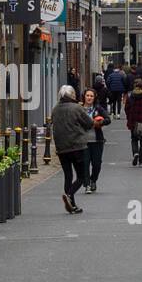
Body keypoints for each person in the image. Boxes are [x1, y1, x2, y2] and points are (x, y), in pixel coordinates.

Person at [49, 85, 94, 214]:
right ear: (72, 95)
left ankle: (72, 205)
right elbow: (89, 123)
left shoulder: (55, 109)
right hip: (77, 146)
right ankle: (69, 194)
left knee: (68, 175)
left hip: (61, 147)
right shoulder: (77, 108)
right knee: (82, 176)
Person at [82, 87, 110, 192]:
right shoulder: (79, 108)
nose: (89, 98)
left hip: (97, 140)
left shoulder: (98, 108)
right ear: (84, 96)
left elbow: (108, 119)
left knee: (96, 163)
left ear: (94, 98)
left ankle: (93, 180)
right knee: (85, 163)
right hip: (83, 141)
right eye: (87, 95)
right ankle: (87, 184)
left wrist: (100, 122)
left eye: (91, 96)